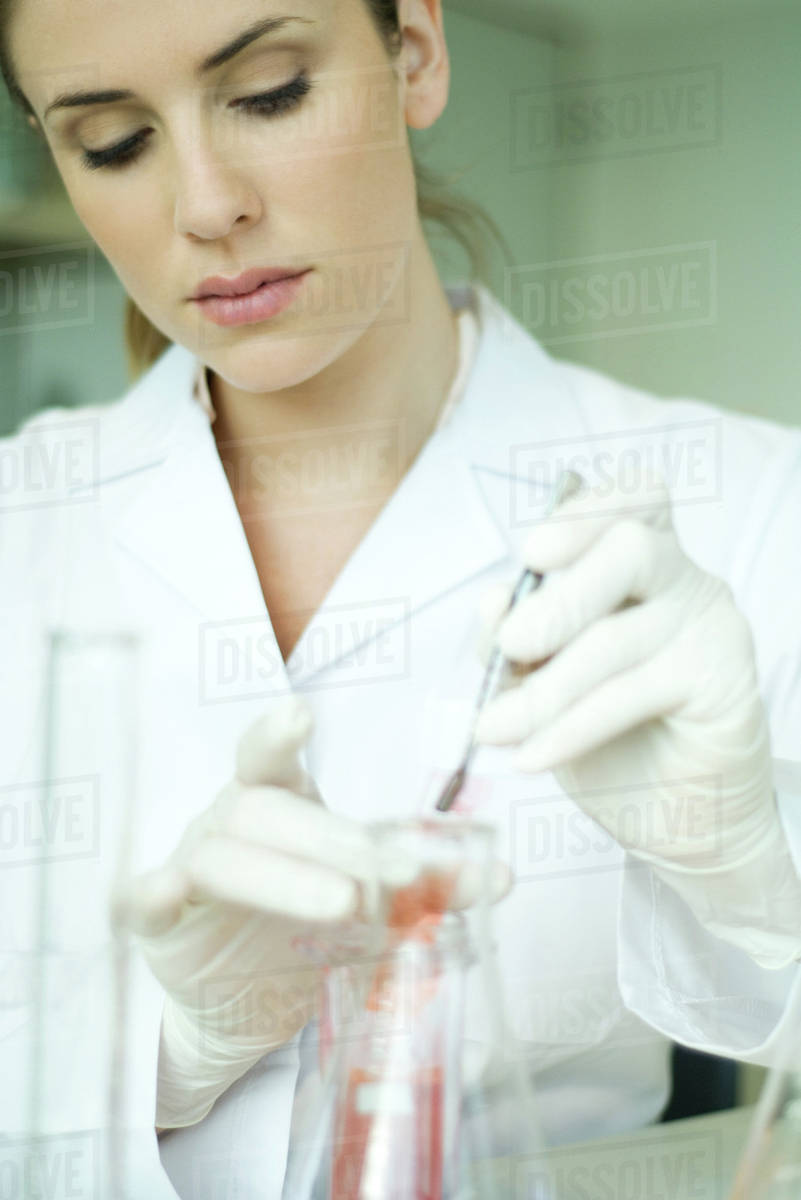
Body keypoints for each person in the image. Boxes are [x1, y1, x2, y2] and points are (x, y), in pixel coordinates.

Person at [1, 0, 800, 1196]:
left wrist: (759, 882)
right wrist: (164, 1061)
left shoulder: (751, 504)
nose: (204, 205)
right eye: (113, 141)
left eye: (269, 91)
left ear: (414, 51)